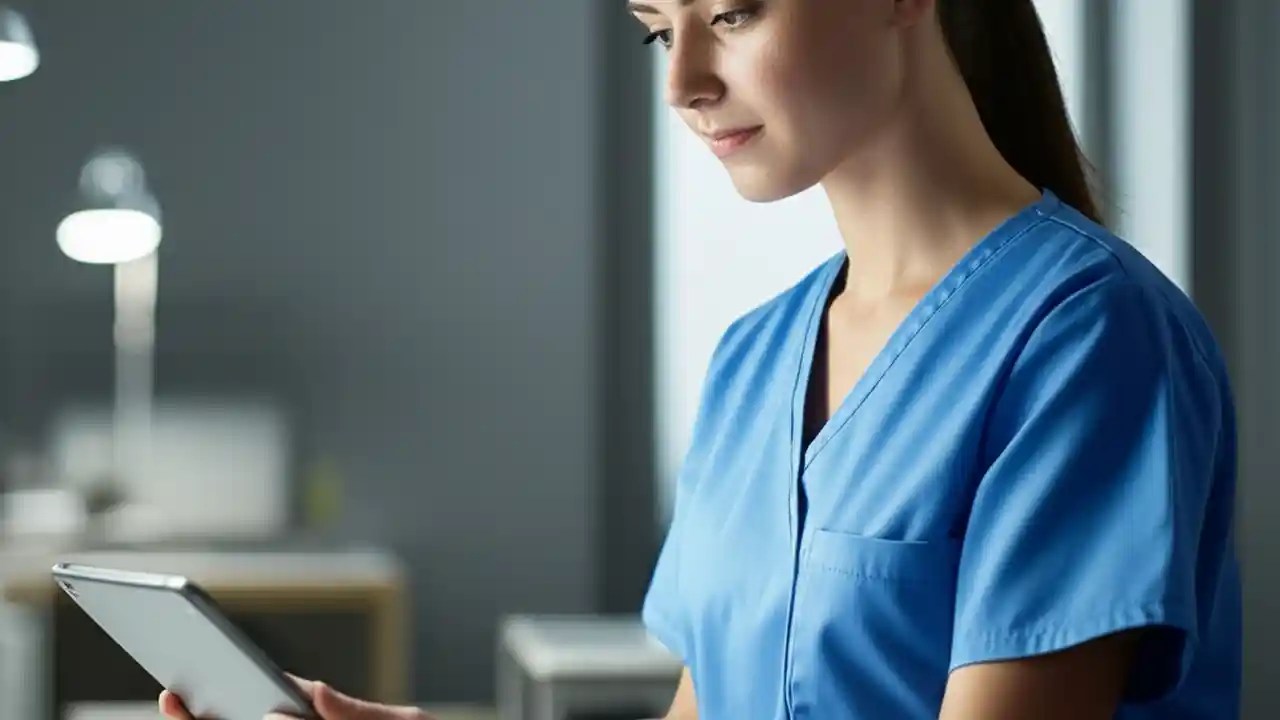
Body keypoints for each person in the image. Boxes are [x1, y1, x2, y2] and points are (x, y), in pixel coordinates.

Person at [162, 0, 1241, 718]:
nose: (680, 79)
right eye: (652, 29)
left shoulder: (1083, 338)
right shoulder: (753, 360)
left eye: (730, 13)